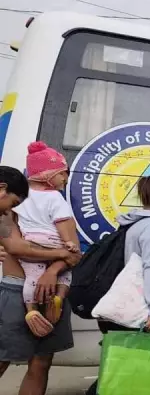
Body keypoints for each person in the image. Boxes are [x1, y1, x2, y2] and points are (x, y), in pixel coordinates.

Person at [85, 175, 150, 395]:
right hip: (139, 311)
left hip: (122, 307)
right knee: (128, 376)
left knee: (121, 370)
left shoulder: (134, 223)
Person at [0, 165, 80, 395]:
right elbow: (16, 247)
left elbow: (74, 253)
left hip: (52, 292)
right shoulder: (4, 215)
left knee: (41, 363)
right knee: (3, 359)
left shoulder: (57, 207)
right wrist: (60, 253)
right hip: (15, 290)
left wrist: (53, 271)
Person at [14, 142, 80, 335]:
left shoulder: (21, 196)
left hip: (31, 242)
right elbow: (63, 222)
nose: (65, 179)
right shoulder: (55, 198)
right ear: (48, 175)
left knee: (32, 278)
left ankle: (31, 310)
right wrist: (68, 245)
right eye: (62, 173)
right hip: (56, 242)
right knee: (65, 274)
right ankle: (58, 297)